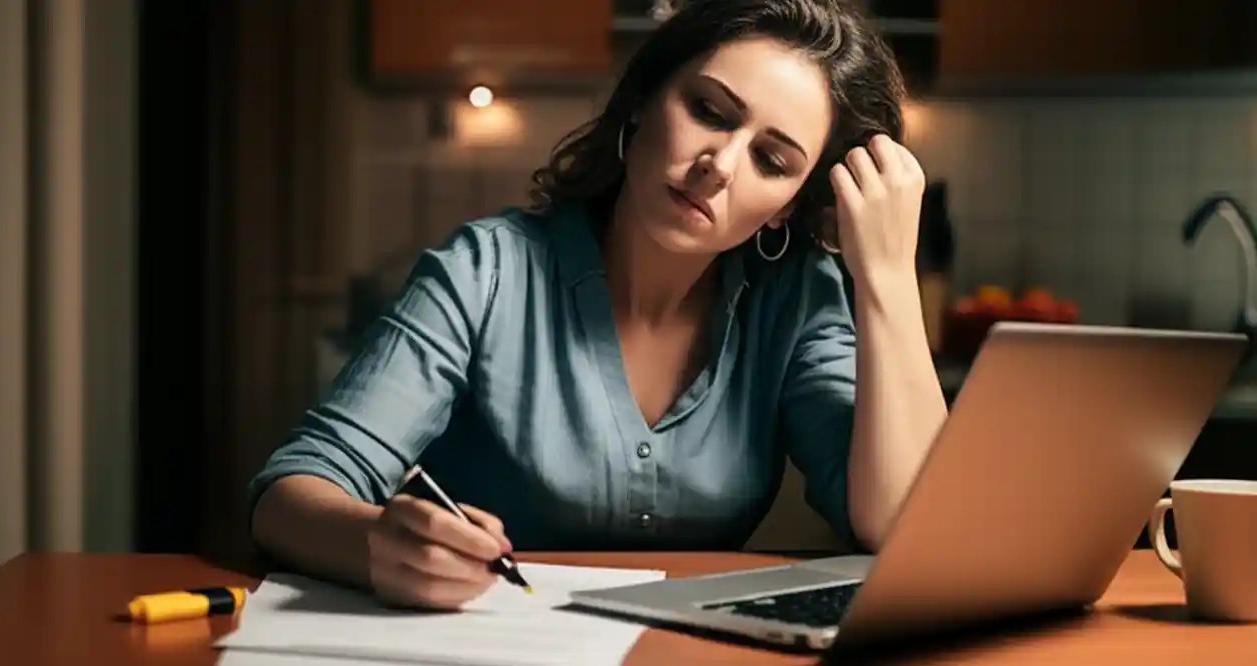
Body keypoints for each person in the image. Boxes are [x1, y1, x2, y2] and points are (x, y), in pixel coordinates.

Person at [248, 0, 948, 610]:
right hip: (477, 665)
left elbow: (907, 527)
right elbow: (290, 494)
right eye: (708, 111)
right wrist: (378, 543)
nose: (720, 165)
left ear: (787, 207)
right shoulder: (487, 270)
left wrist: (887, 275)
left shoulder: (796, 300)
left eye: (772, 160)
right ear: (643, 99)